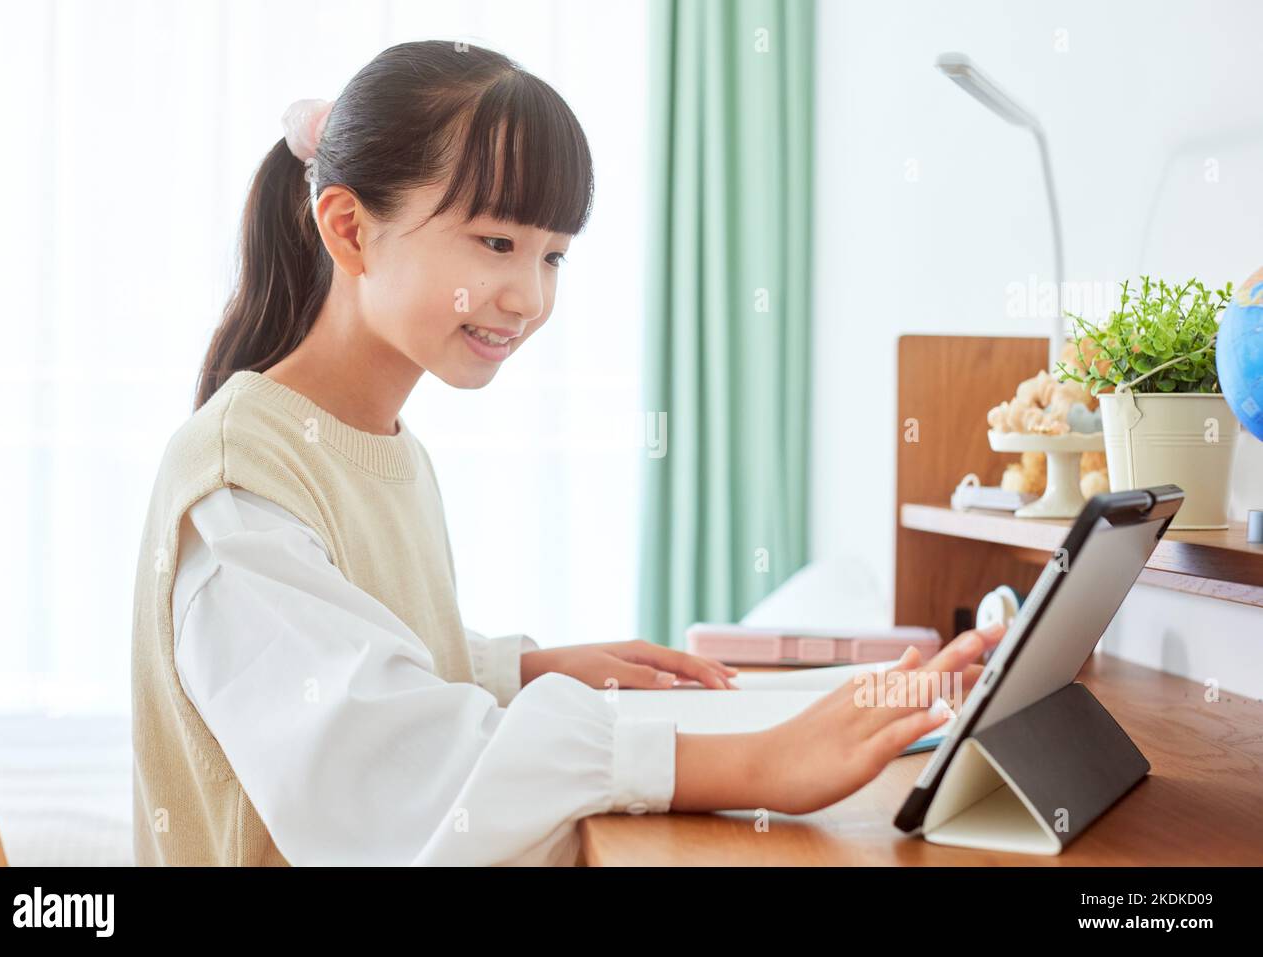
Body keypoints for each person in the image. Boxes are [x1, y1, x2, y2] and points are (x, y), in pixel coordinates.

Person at [130, 39, 1004, 867]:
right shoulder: (238, 475)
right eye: (498, 243)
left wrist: (519, 668)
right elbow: (390, 783)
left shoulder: (381, 443)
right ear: (351, 229)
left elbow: (353, 640)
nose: (530, 297)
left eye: (555, 254)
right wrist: (754, 764)